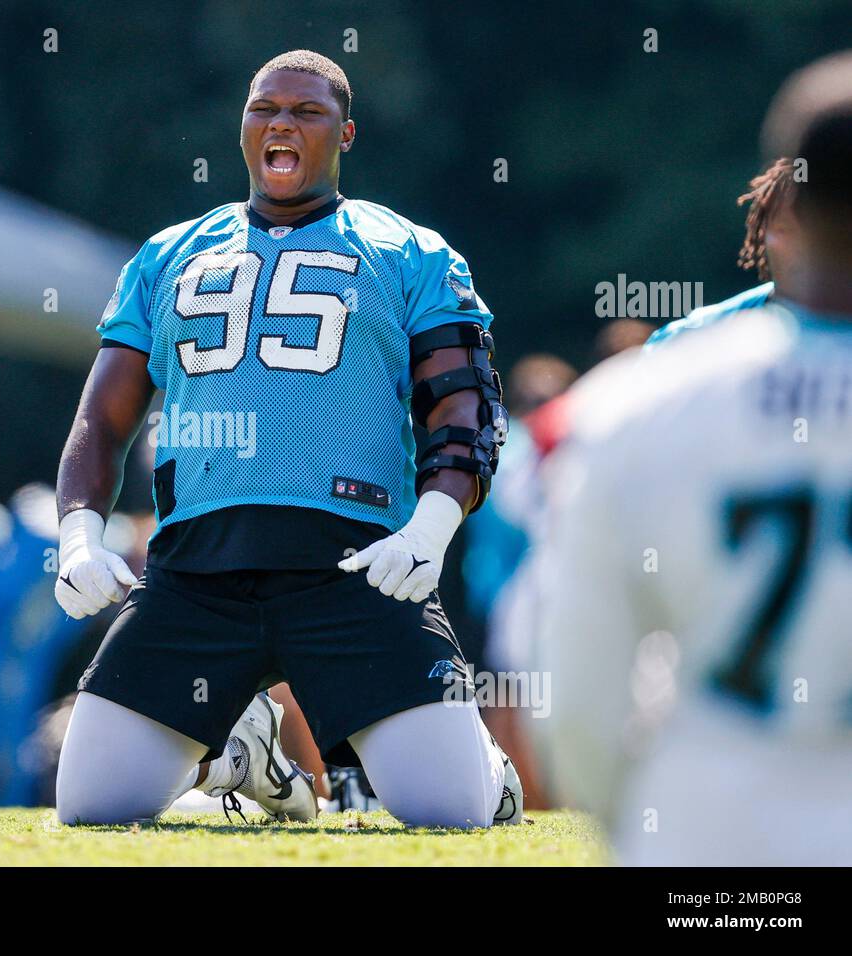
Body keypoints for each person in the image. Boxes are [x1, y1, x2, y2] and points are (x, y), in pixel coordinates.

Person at [53, 50, 522, 828]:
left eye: (306, 111)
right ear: (243, 126)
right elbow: (100, 421)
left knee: (451, 812)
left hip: (355, 569)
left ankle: (487, 766)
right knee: (91, 806)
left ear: (346, 132)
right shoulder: (168, 254)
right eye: (264, 108)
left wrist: (432, 527)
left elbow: (464, 409)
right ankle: (244, 757)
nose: (282, 123)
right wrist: (77, 535)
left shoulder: (408, 251)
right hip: (195, 572)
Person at [533, 50, 852, 864]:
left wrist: (641, 818)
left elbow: (577, 699)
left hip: (711, 836)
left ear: (793, 204)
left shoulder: (646, 398)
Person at [644, 158, 798, 349]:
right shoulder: (684, 344)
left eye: (827, 230)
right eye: (787, 230)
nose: (808, 245)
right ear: (762, 233)